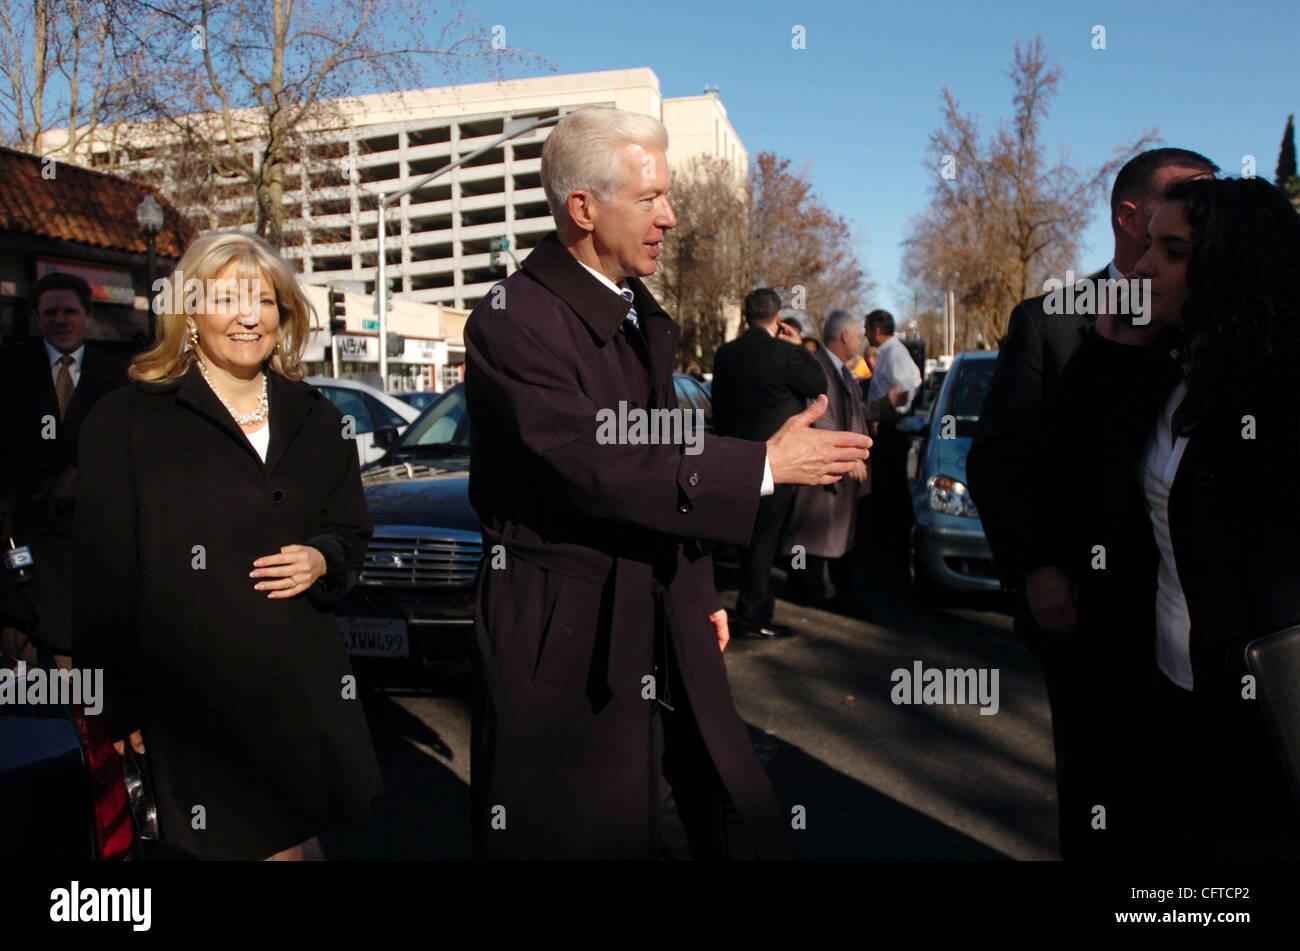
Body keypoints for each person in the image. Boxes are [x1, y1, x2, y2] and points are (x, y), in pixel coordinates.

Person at [464, 106, 871, 860]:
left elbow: (655, 464)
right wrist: (760, 465)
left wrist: (691, 592)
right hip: (568, 654)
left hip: (657, 624)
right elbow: (596, 461)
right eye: (650, 197)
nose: (671, 216)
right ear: (583, 208)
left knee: (694, 818)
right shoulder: (512, 319)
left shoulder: (634, 313)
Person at [73, 232, 383, 861]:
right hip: (193, 706)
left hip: (302, 693)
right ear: (188, 312)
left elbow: (351, 532)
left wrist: (322, 556)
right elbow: (103, 581)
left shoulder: (318, 418)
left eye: (265, 301)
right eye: (227, 299)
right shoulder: (128, 422)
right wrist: (117, 707)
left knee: (296, 842)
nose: (250, 317)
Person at [966, 146, 1218, 858]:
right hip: (1087, 618)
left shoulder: (1219, 330)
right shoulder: (1050, 321)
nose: (1208, 217)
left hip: (1202, 633)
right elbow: (1001, 459)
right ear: (1131, 216)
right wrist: (1038, 566)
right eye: (1188, 199)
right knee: (1104, 803)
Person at [0, 273, 128, 666]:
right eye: (50, 312)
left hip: (95, 534)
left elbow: (126, 449)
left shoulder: (118, 377)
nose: (61, 320)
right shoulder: (10, 370)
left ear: (87, 316)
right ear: (37, 317)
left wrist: (82, 475)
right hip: (30, 533)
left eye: (70, 311)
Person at [711, 288, 826, 638]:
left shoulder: (726, 354)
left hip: (735, 455)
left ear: (745, 316)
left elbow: (719, 402)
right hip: (778, 458)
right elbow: (817, 383)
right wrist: (796, 346)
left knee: (749, 536)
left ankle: (755, 608)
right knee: (766, 539)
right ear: (778, 318)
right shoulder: (784, 354)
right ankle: (754, 614)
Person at [786, 311, 906, 615]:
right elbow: (822, 416)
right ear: (843, 337)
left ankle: (835, 594)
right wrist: (846, 454)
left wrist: (886, 405)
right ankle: (814, 594)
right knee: (816, 537)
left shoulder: (843, 370)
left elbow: (856, 411)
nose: (860, 340)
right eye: (856, 334)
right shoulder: (820, 369)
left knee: (837, 538)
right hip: (830, 470)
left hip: (845, 473)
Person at [864, 310, 922, 569]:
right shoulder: (889, 353)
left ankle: (895, 545)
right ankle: (890, 542)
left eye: (866, 329)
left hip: (891, 429)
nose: (865, 334)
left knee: (893, 487)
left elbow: (907, 387)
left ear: (876, 330)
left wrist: (887, 411)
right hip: (885, 425)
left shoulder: (895, 354)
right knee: (887, 486)